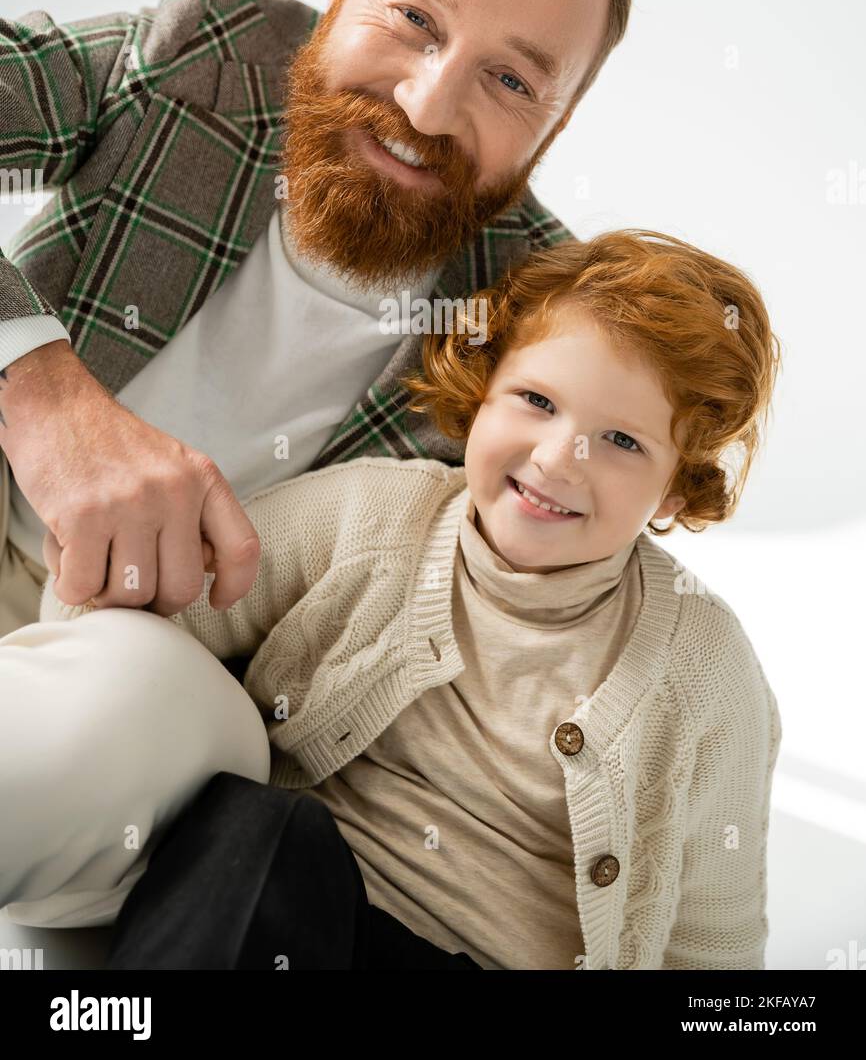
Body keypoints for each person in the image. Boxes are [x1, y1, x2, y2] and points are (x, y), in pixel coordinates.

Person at [1, 228, 784, 970]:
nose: (557, 459)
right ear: (481, 392)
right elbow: (142, 627)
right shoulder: (372, 517)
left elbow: (712, 937)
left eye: (622, 442)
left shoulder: (704, 669)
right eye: (537, 401)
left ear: (675, 492)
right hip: (297, 928)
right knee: (258, 830)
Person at [0, 0, 632, 638]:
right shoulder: (199, 50)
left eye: (510, 79)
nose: (427, 106)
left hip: (174, 674)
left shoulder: (538, 314)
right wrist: (44, 394)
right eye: (414, 18)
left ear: (559, 123)